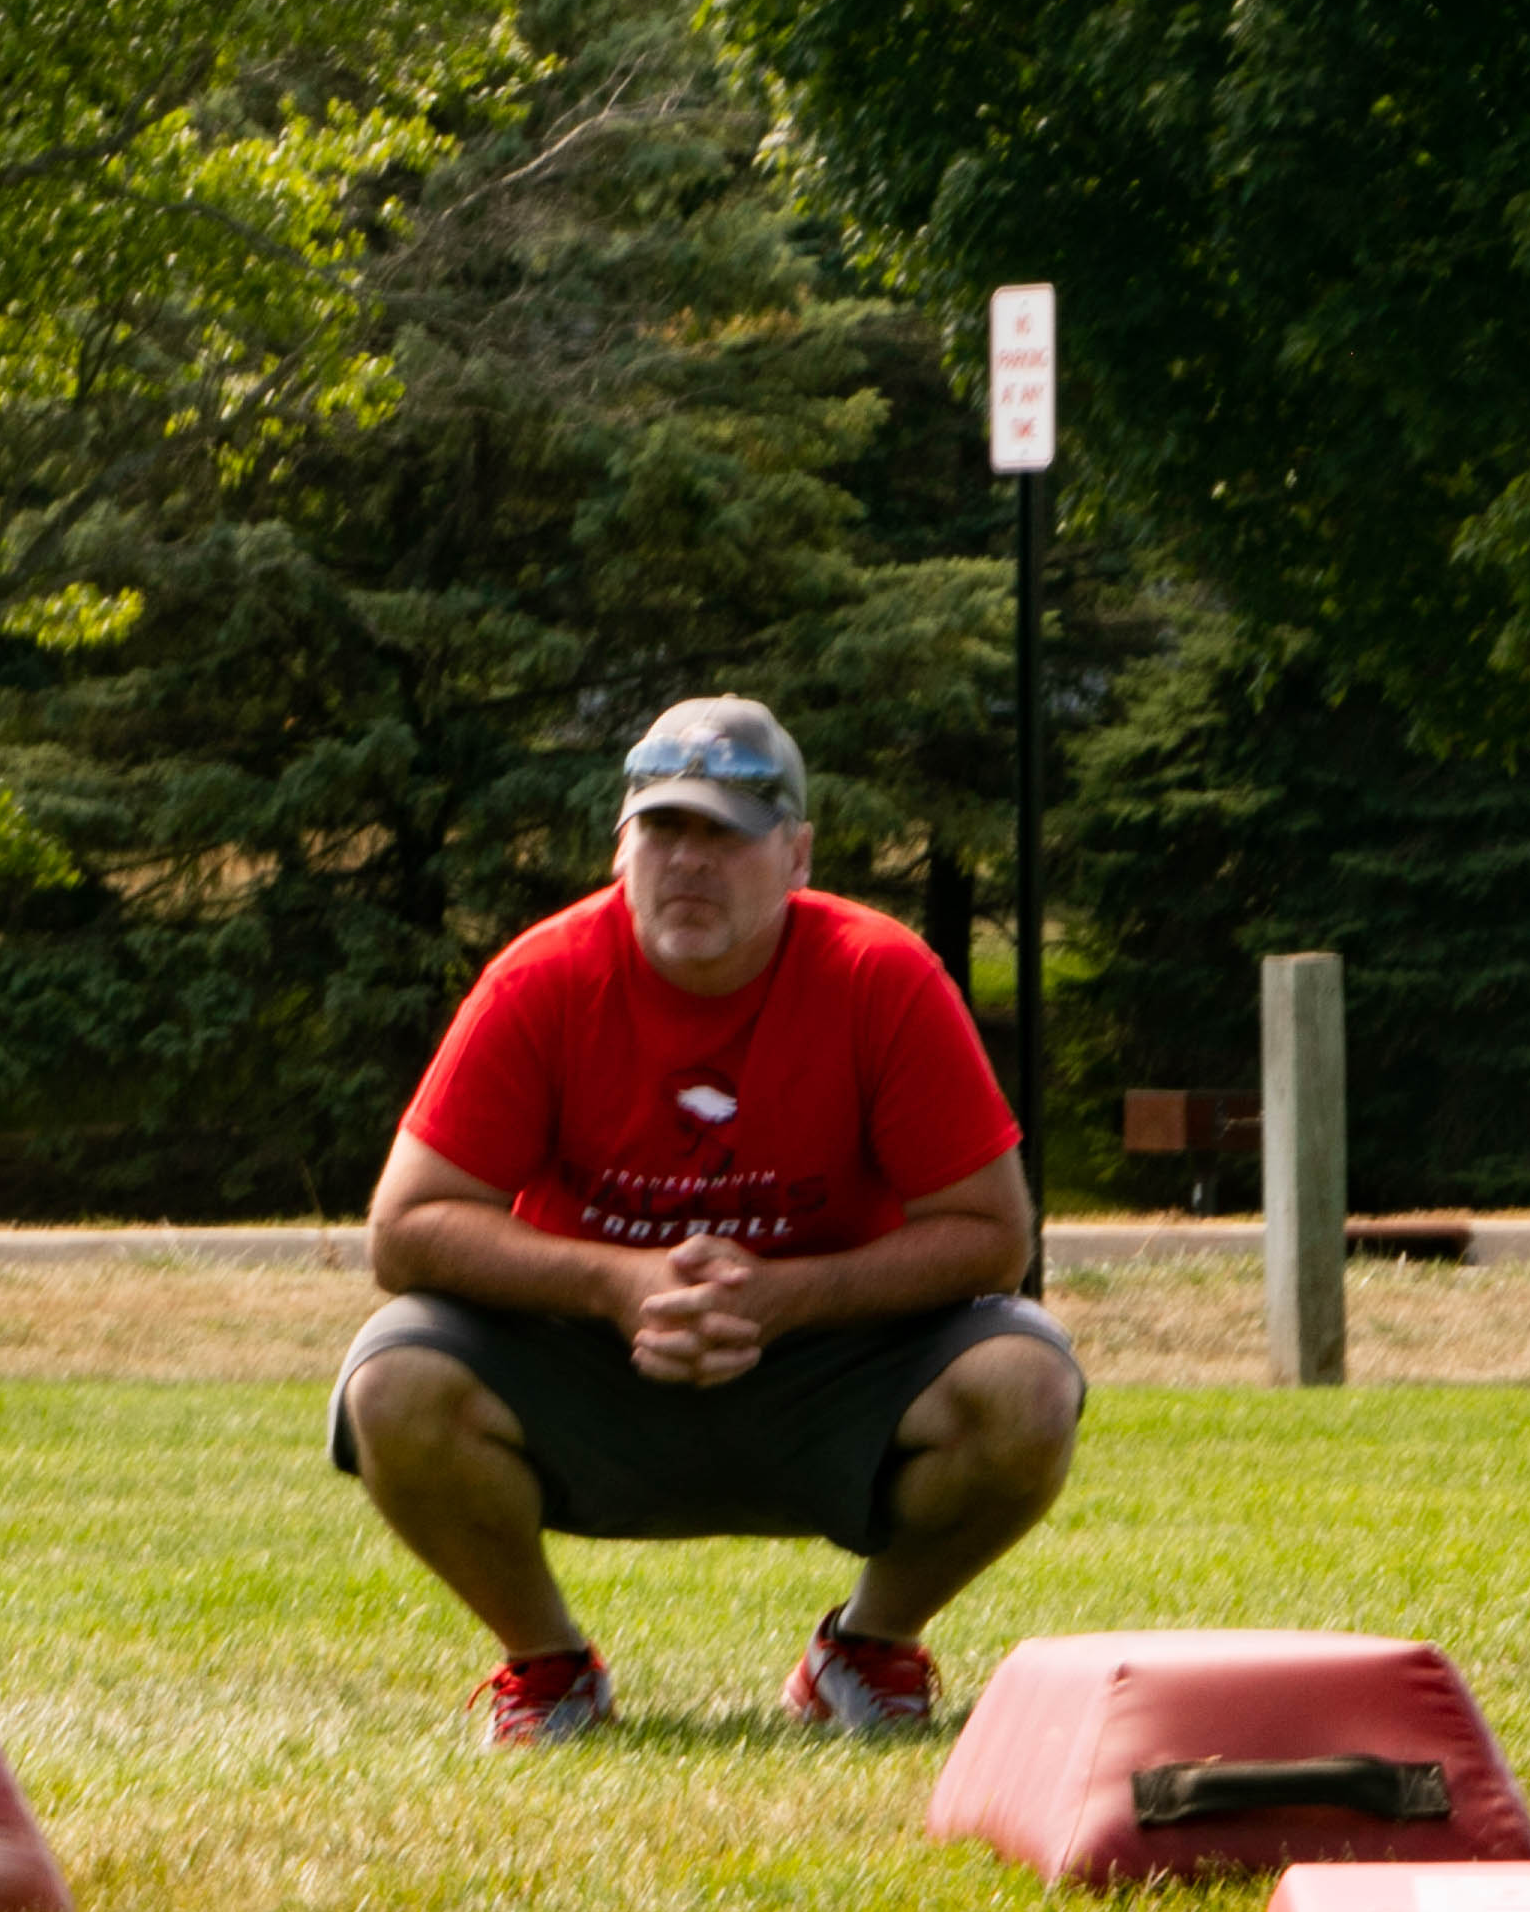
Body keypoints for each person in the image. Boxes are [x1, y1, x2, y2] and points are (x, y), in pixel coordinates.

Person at [330, 695, 1083, 1746]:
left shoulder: (881, 974)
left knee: (1029, 1387)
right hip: (596, 1360)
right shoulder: (541, 978)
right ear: (620, 847)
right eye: (664, 829)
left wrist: (789, 1298)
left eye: (726, 834)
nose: (690, 861)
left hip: (830, 1359)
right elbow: (404, 1228)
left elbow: (994, 1233)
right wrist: (613, 1282)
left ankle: (866, 1650)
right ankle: (548, 1671)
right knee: (392, 1382)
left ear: (798, 855)